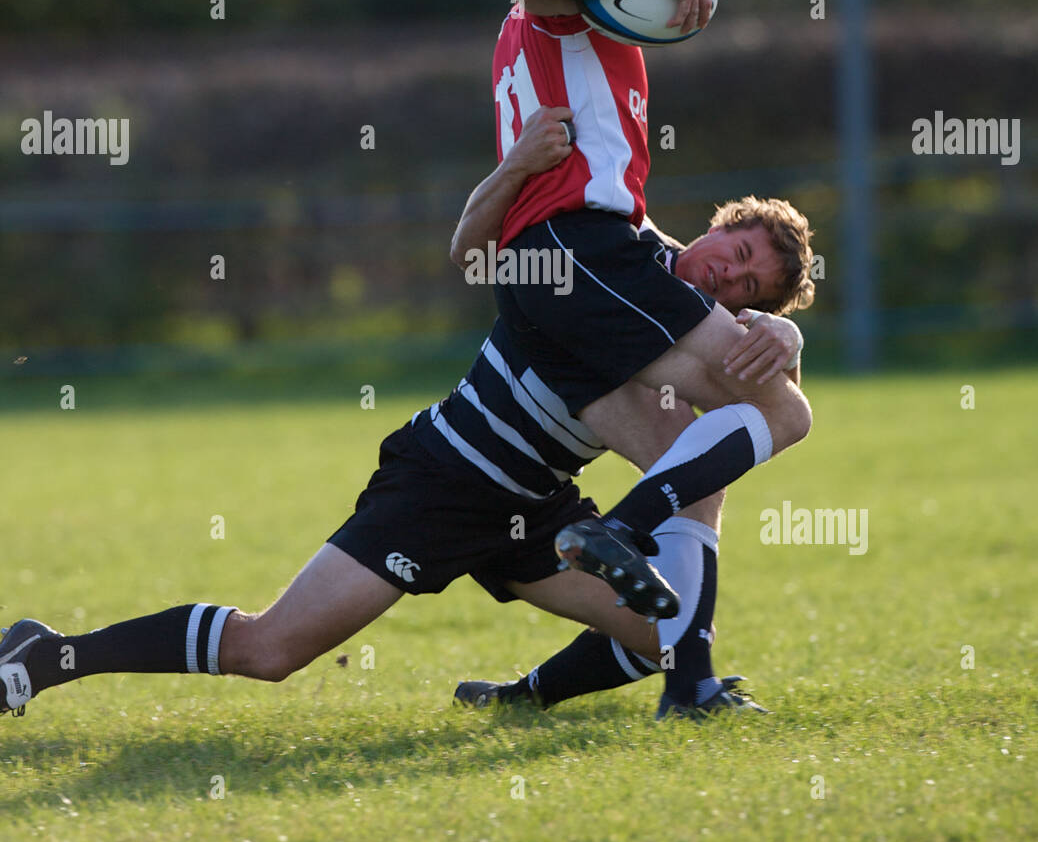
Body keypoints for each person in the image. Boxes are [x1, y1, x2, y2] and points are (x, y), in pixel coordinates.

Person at [0, 122, 810, 725]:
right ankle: (49, 653)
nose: (727, 273)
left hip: (539, 510)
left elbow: (748, 417)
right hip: (446, 480)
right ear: (717, 223)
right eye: (734, 247)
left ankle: (523, 700)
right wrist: (520, 165)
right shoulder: (611, 251)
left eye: (748, 288)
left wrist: (787, 340)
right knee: (270, 650)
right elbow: (470, 248)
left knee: (660, 630)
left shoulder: (697, 326)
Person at [487, 0, 813, 601]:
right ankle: (619, 530)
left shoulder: (580, 30)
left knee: (690, 468)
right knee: (781, 410)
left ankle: (689, 683)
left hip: (552, 271)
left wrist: (779, 331)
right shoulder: (561, 5)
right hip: (580, 250)